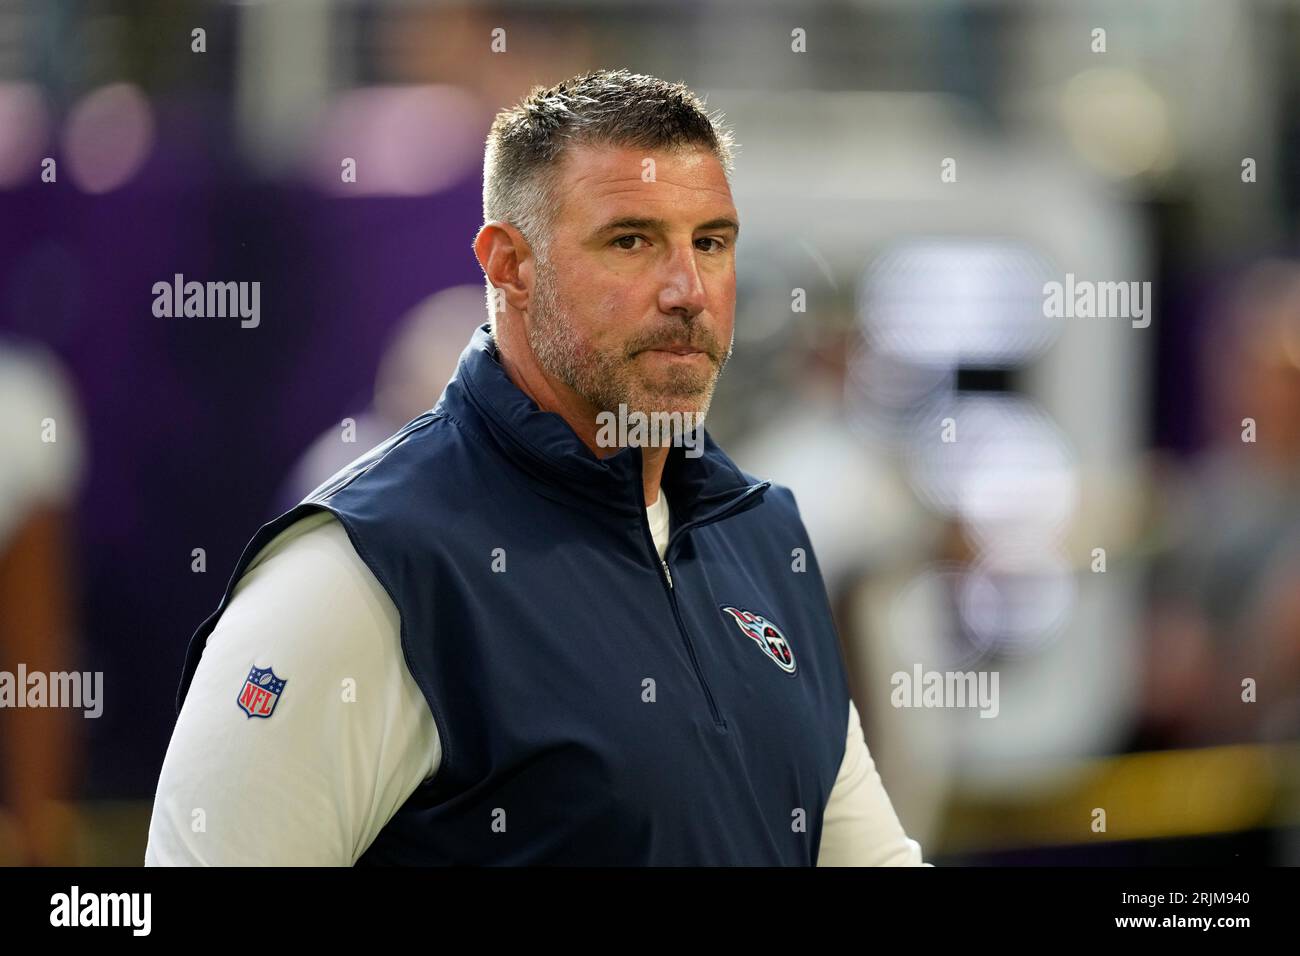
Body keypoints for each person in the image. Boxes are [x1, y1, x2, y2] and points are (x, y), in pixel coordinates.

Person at [146, 69, 927, 866]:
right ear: (509, 265)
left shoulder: (767, 538)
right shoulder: (363, 572)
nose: (687, 290)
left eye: (711, 243)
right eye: (632, 240)